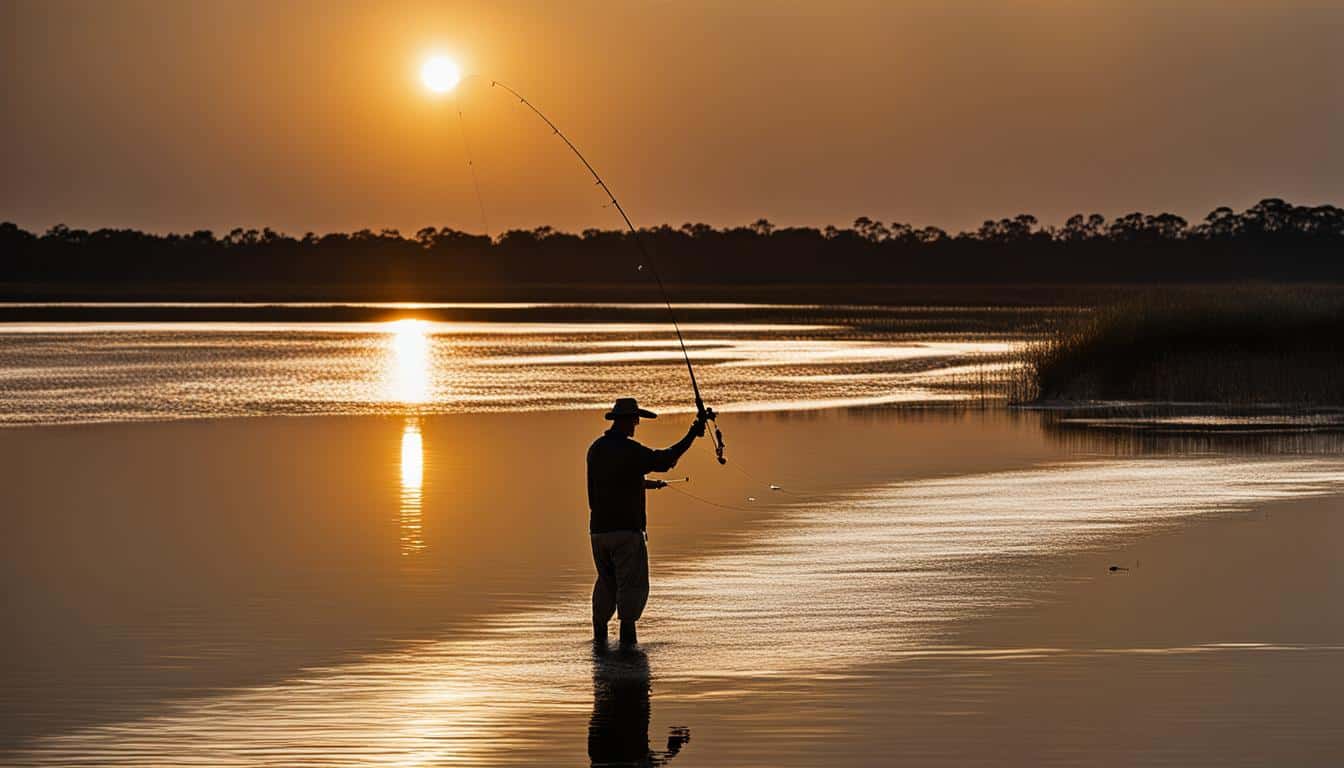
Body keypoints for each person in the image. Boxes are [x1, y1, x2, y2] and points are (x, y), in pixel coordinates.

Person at [587, 397, 705, 646]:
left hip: (598, 533)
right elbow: (665, 460)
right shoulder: (629, 450)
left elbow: (614, 481)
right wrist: (692, 433)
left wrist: (646, 484)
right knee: (630, 594)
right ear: (628, 420)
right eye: (635, 420)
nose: (636, 424)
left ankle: (600, 649)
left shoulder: (596, 449)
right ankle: (628, 658)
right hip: (626, 534)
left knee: (606, 588)